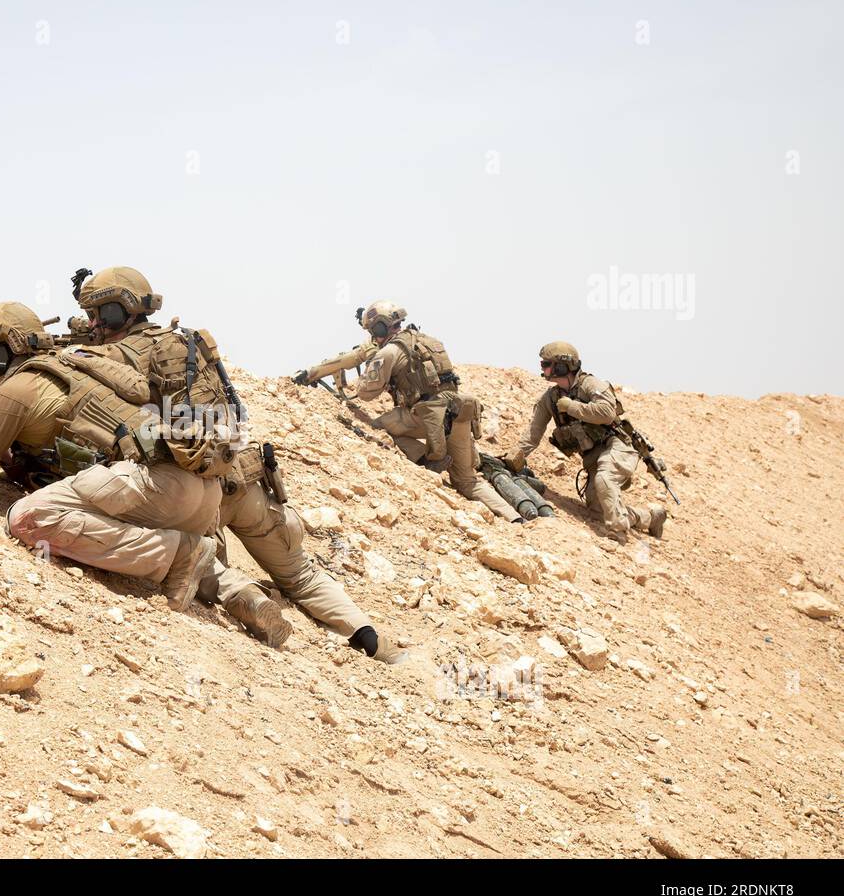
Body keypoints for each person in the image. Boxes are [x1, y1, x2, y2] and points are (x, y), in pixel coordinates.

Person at [71, 267, 406, 663]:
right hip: (243, 477)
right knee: (300, 574)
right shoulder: (186, 343)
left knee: (204, 567)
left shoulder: (114, 357)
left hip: (195, 490)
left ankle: (245, 597)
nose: (92, 323)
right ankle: (371, 640)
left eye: (97, 314)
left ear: (114, 313)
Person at [0, 300, 220, 610]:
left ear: (0, 352)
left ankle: (176, 554)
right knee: (91, 507)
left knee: (28, 518)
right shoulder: (72, 363)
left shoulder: (16, 388)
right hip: (199, 493)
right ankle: (238, 593)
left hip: (157, 487)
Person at [299, 301, 522, 523]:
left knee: (377, 430)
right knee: (467, 480)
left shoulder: (388, 352)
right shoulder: (428, 341)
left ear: (379, 328)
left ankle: (427, 458)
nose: (373, 337)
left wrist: (373, 365)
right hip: (458, 411)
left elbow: (366, 393)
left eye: (372, 331)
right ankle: (515, 518)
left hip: (426, 415)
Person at [504, 342, 666, 544]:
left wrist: (572, 407)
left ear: (562, 366)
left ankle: (618, 533)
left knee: (605, 480)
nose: (543, 369)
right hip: (593, 455)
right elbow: (533, 434)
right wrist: (511, 458)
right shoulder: (551, 398)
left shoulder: (592, 385)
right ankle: (651, 517)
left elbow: (607, 413)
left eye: (547, 364)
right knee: (601, 511)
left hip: (617, 445)